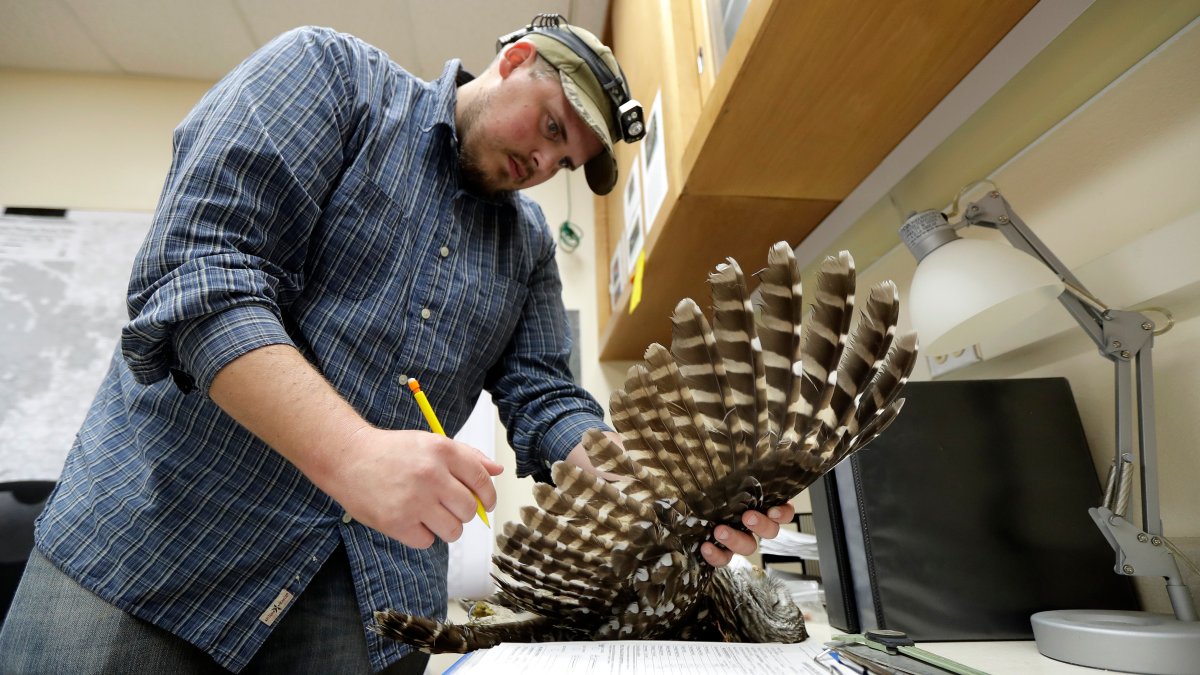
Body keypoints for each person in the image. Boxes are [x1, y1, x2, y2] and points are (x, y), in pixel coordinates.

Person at [0, 16, 794, 674]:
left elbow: (546, 397)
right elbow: (201, 274)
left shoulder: (527, 246)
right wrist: (353, 455)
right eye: (551, 126)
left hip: (368, 603)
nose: (543, 162)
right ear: (513, 57)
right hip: (158, 551)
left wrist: (651, 487)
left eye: (566, 158)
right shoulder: (329, 78)